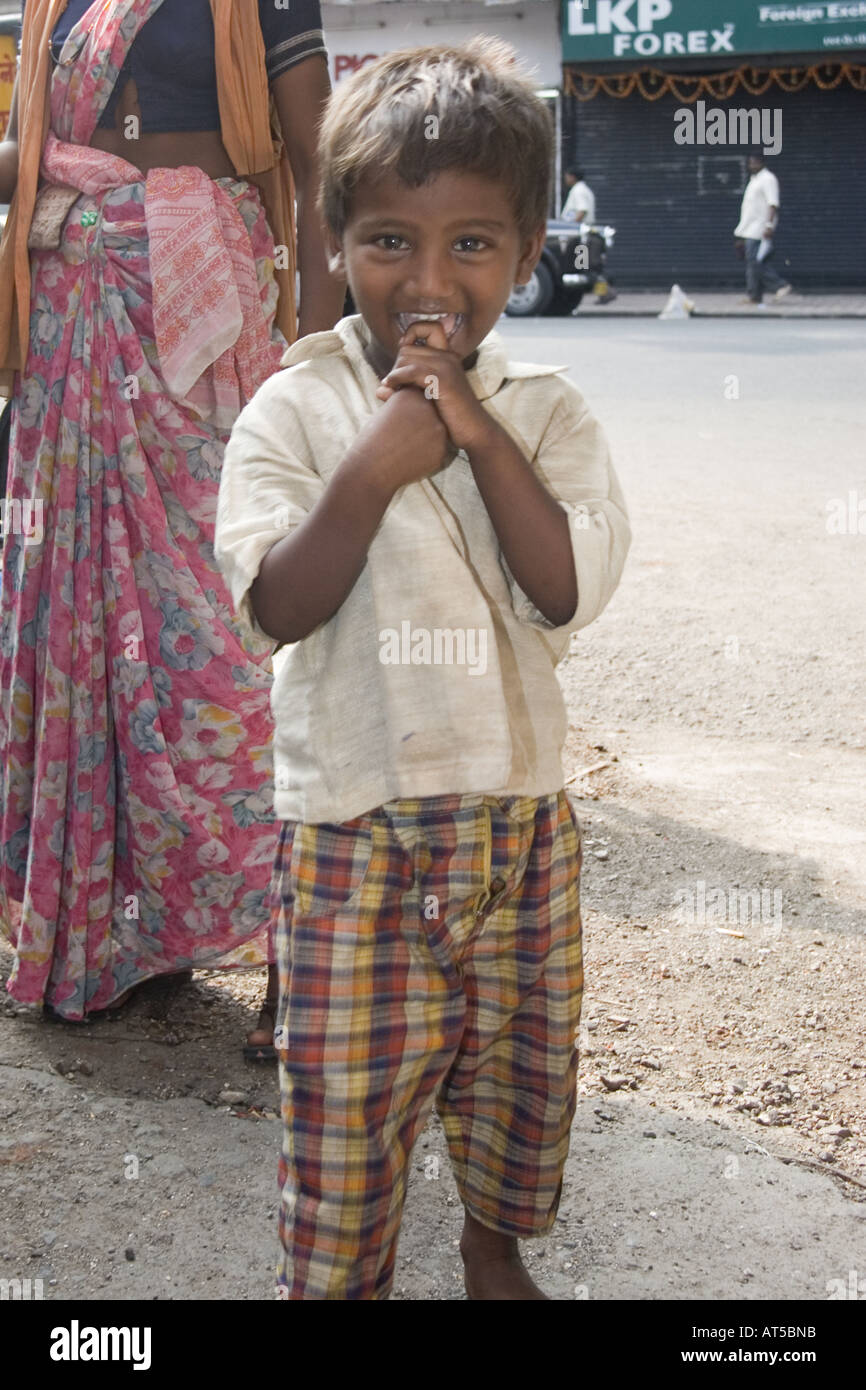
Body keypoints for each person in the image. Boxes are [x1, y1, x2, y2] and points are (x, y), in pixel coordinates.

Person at [215, 39, 631, 1300]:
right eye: (390, 240)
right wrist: (374, 464)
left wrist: (471, 429)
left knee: (519, 1074)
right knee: (346, 1110)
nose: (429, 280)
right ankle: (345, 1273)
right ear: (337, 241)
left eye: (471, 244)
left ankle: (490, 1242)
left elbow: (564, 584)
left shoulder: (546, 409)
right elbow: (275, 604)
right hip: (351, 833)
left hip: (518, 826)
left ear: (523, 253)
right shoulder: (290, 411)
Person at [0, 0, 345, 1024]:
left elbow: (321, 168)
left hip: (195, 317)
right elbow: (40, 148)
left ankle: (293, 927)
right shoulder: (64, 3)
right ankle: (119, 933)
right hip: (69, 310)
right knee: (71, 617)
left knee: (212, 626)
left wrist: (316, 360)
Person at [734, 153, 792, 306]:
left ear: (761, 163)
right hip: (749, 229)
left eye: (754, 163)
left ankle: (781, 285)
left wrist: (768, 226)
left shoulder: (768, 179)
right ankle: (754, 296)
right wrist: (740, 234)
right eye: (750, 163)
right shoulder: (754, 180)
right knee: (752, 263)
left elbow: (772, 203)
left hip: (760, 228)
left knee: (755, 261)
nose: (750, 166)